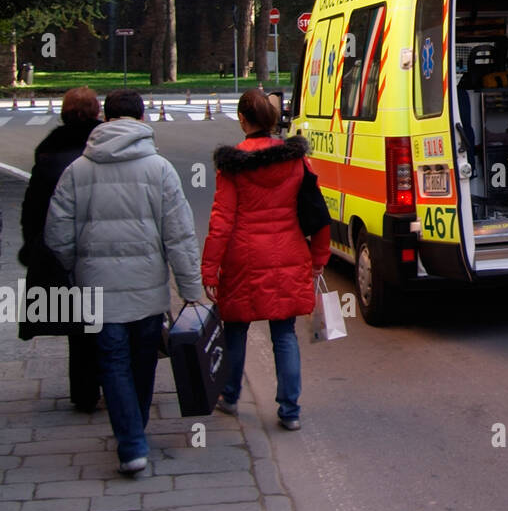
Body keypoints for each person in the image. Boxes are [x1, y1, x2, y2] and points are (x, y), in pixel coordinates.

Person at [45, 90, 203, 475]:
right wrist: (191, 289)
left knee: (112, 362)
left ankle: (131, 444)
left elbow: (57, 233)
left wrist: (75, 267)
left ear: (105, 119)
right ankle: (136, 430)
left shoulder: (78, 171)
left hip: (96, 289)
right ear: (142, 117)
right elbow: (179, 235)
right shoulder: (159, 169)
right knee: (143, 359)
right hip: (147, 289)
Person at [201, 89, 329, 431]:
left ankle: (229, 395)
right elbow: (317, 212)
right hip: (288, 253)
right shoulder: (296, 160)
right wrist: (318, 256)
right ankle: (290, 410)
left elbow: (221, 220)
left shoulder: (232, 165)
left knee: (236, 330)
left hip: (242, 259)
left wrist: (209, 269)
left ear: (243, 120)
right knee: (284, 334)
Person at [18, 87, 102, 411]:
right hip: (103, 243)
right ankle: (115, 383)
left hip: (64, 247)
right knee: (109, 319)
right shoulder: (102, 147)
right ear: (97, 112)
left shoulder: (49, 152)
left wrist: (34, 245)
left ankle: (83, 392)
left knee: (79, 325)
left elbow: (34, 206)